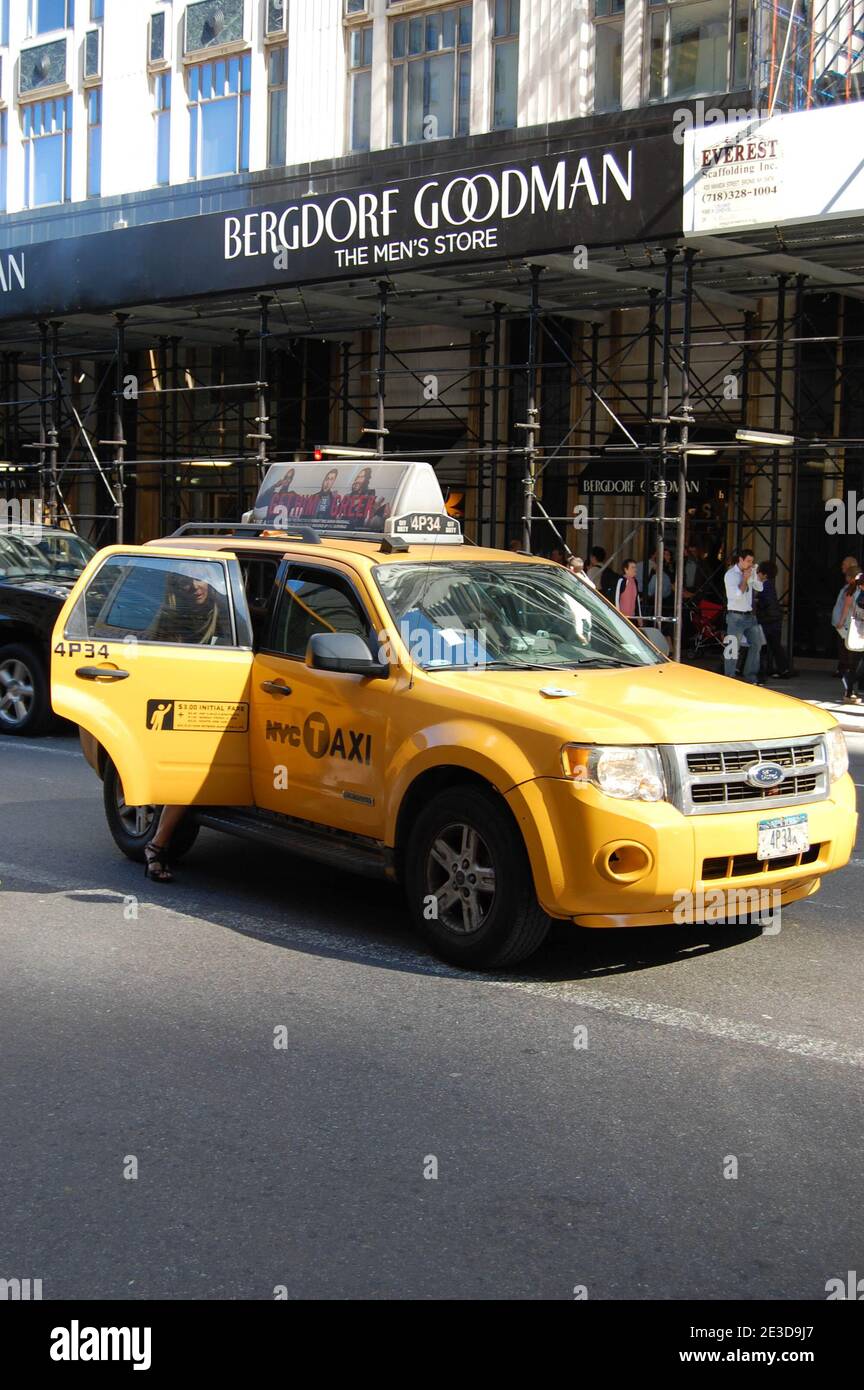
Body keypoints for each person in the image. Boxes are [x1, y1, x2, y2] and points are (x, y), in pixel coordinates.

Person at [143, 566, 232, 884]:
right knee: (190, 772)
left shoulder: (228, 609)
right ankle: (157, 846)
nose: (195, 586)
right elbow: (154, 662)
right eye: (185, 581)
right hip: (182, 702)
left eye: (200, 579)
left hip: (228, 699)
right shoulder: (170, 616)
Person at [723, 548, 764, 684]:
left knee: (757, 644)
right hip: (735, 616)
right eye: (748, 561)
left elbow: (759, 588)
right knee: (733, 647)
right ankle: (730, 676)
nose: (750, 564)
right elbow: (736, 595)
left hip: (749, 615)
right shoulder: (731, 575)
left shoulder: (750, 572)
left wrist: (754, 576)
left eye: (752, 562)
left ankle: (750, 675)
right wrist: (745, 579)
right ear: (740, 560)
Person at [832, 562, 864, 703]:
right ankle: (849, 690)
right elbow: (845, 610)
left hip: (856, 628)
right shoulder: (851, 592)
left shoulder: (852, 591)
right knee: (853, 661)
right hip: (855, 629)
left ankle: (850, 689)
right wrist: (840, 623)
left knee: (855, 662)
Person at [755, 561, 792, 680]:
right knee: (776, 646)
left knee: (761, 647)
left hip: (767, 621)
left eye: (758, 572)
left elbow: (764, 603)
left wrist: (757, 602)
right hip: (774, 621)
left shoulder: (764, 587)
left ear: (764, 575)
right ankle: (784, 669)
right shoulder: (770, 585)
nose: (757, 574)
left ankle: (760, 671)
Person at [614, 558, 642, 624]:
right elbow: (616, 599)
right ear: (626, 569)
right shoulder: (621, 581)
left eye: (635, 567)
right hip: (622, 618)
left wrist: (639, 617)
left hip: (632, 618)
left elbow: (637, 601)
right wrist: (618, 616)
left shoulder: (635, 581)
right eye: (632, 567)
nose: (635, 569)